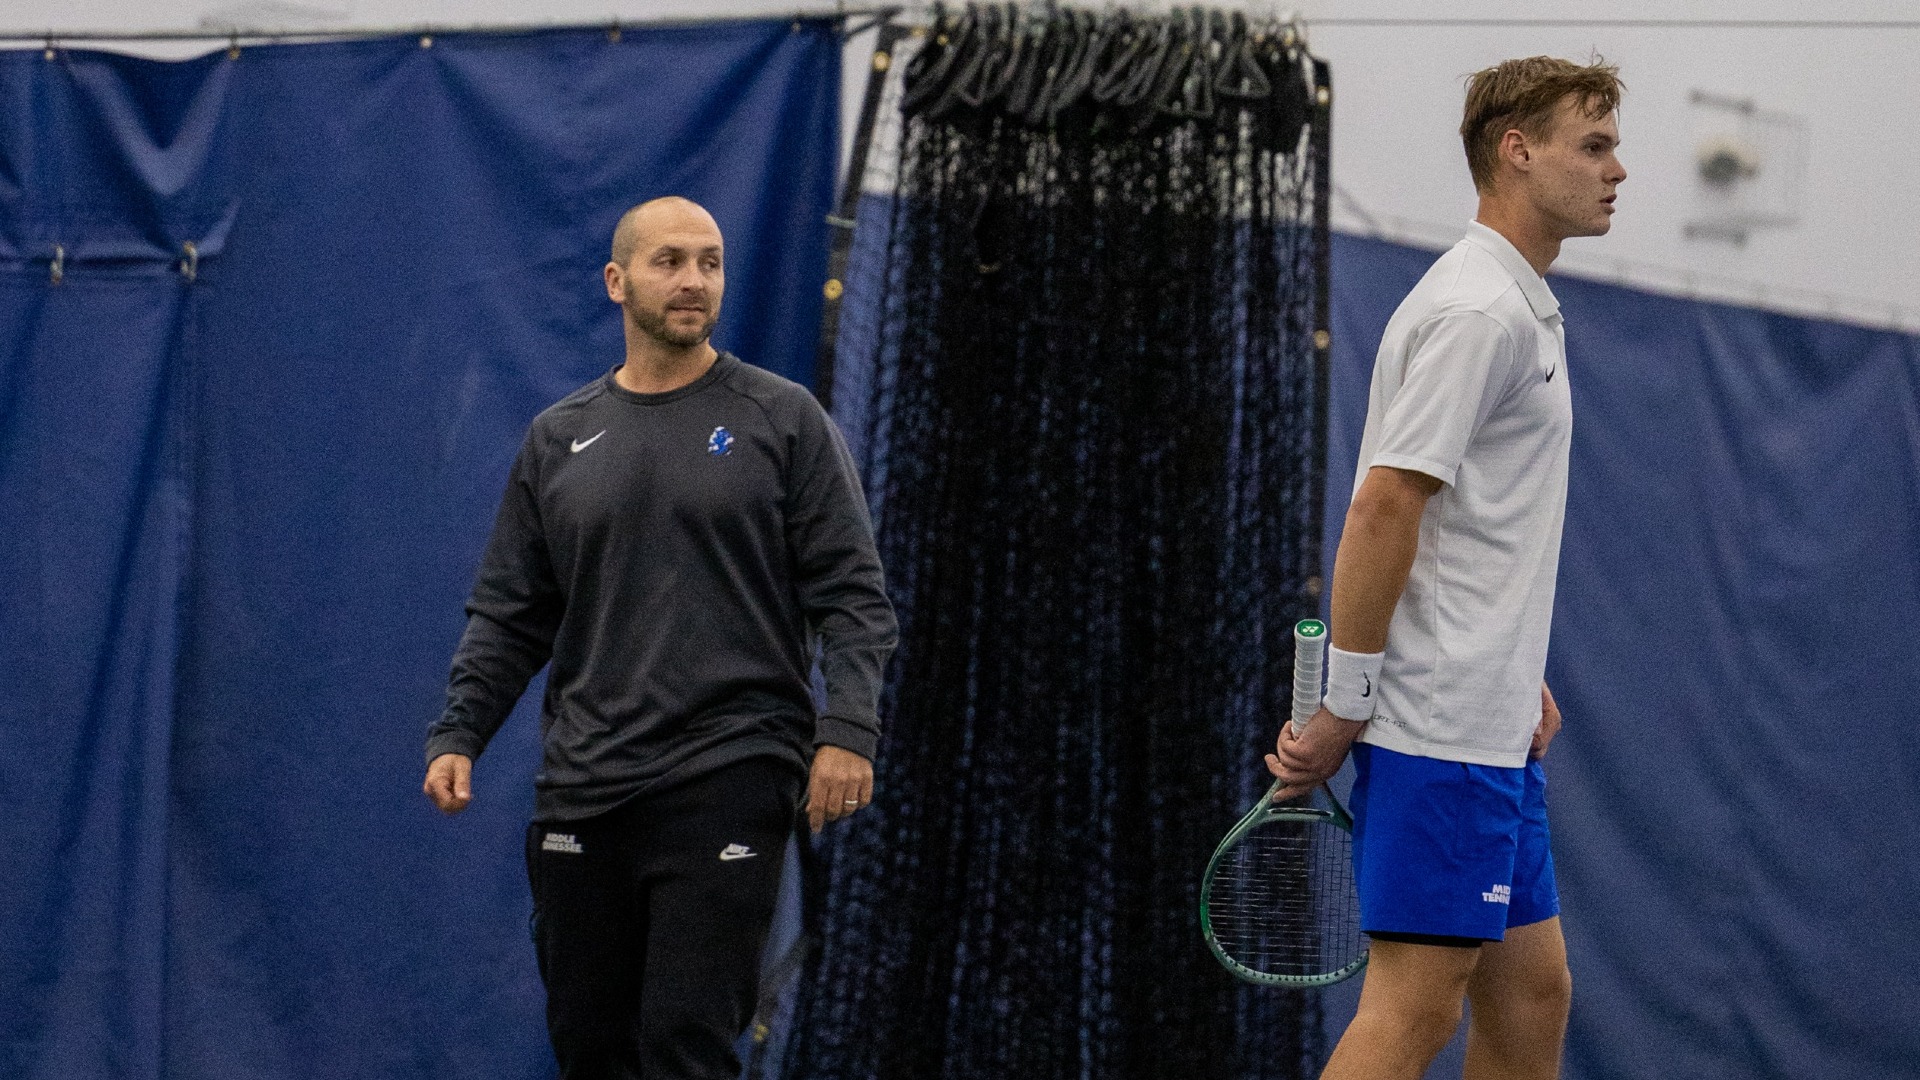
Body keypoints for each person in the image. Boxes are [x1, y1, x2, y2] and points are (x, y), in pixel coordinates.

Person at [421, 196, 897, 1079]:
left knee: (685, 1041)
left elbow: (854, 596)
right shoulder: (557, 440)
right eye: (670, 261)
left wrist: (848, 730)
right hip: (584, 789)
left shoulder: (783, 421)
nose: (693, 281)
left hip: (730, 772)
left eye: (710, 262)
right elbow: (509, 613)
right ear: (617, 281)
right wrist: (460, 733)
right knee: (590, 1047)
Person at [1269, 57, 1627, 1080]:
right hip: (1442, 734)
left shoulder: (1515, 306)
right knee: (1413, 1013)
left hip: (1490, 722)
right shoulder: (1480, 312)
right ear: (1517, 151)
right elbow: (1385, 505)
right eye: (1593, 146)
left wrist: (1516, 672)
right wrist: (1346, 697)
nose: (1618, 171)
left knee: (1531, 996)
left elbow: (1467, 525)